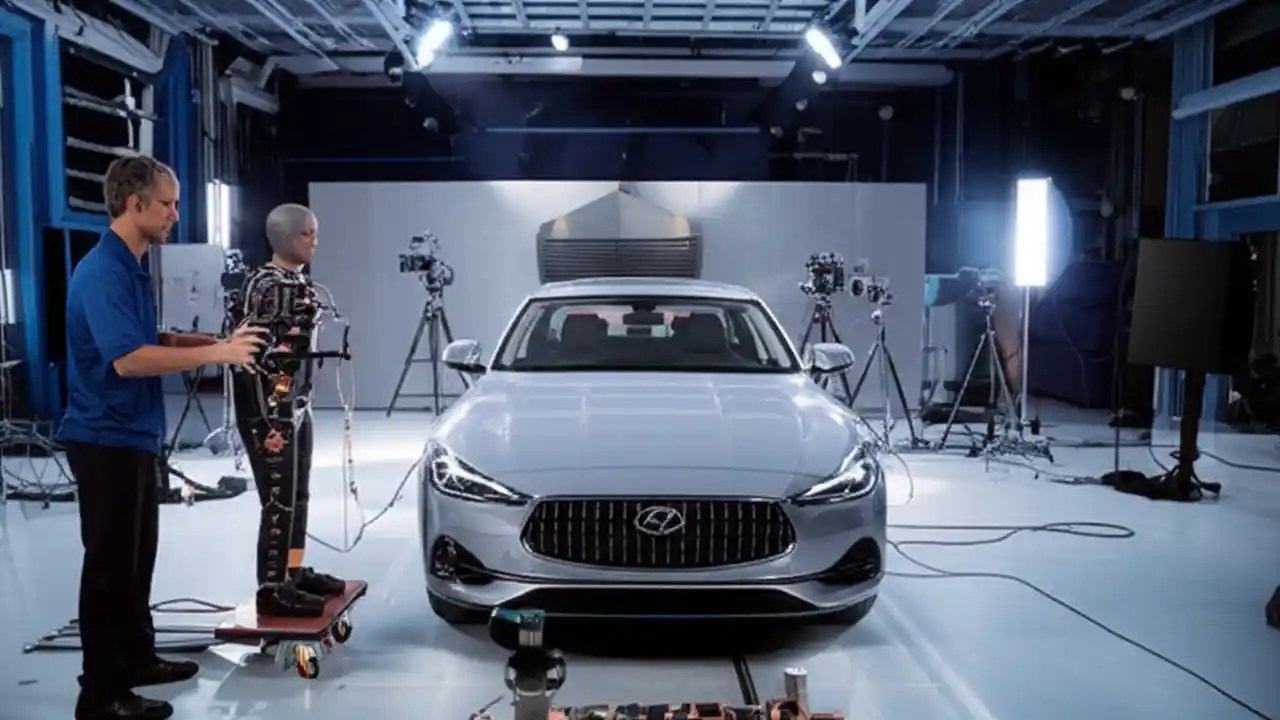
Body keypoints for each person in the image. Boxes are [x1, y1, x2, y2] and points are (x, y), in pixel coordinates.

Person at [57, 156, 266, 720]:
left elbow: (148, 337)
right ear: (135, 203)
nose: (176, 213)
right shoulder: (102, 271)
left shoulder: (131, 265)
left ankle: (137, 658)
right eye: (168, 203)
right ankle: (100, 694)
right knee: (109, 566)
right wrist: (216, 354)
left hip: (133, 435)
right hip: (104, 438)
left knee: (137, 558)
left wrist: (204, 339)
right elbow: (127, 360)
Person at [229, 203, 345, 618]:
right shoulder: (270, 286)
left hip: (294, 405)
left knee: (298, 494)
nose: (314, 241)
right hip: (270, 409)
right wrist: (278, 393)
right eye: (306, 234)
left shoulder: (292, 283)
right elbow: (266, 354)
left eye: (314, 233)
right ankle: (273, 586)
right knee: (279, 500)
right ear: (282, 238)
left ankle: (292, 570)